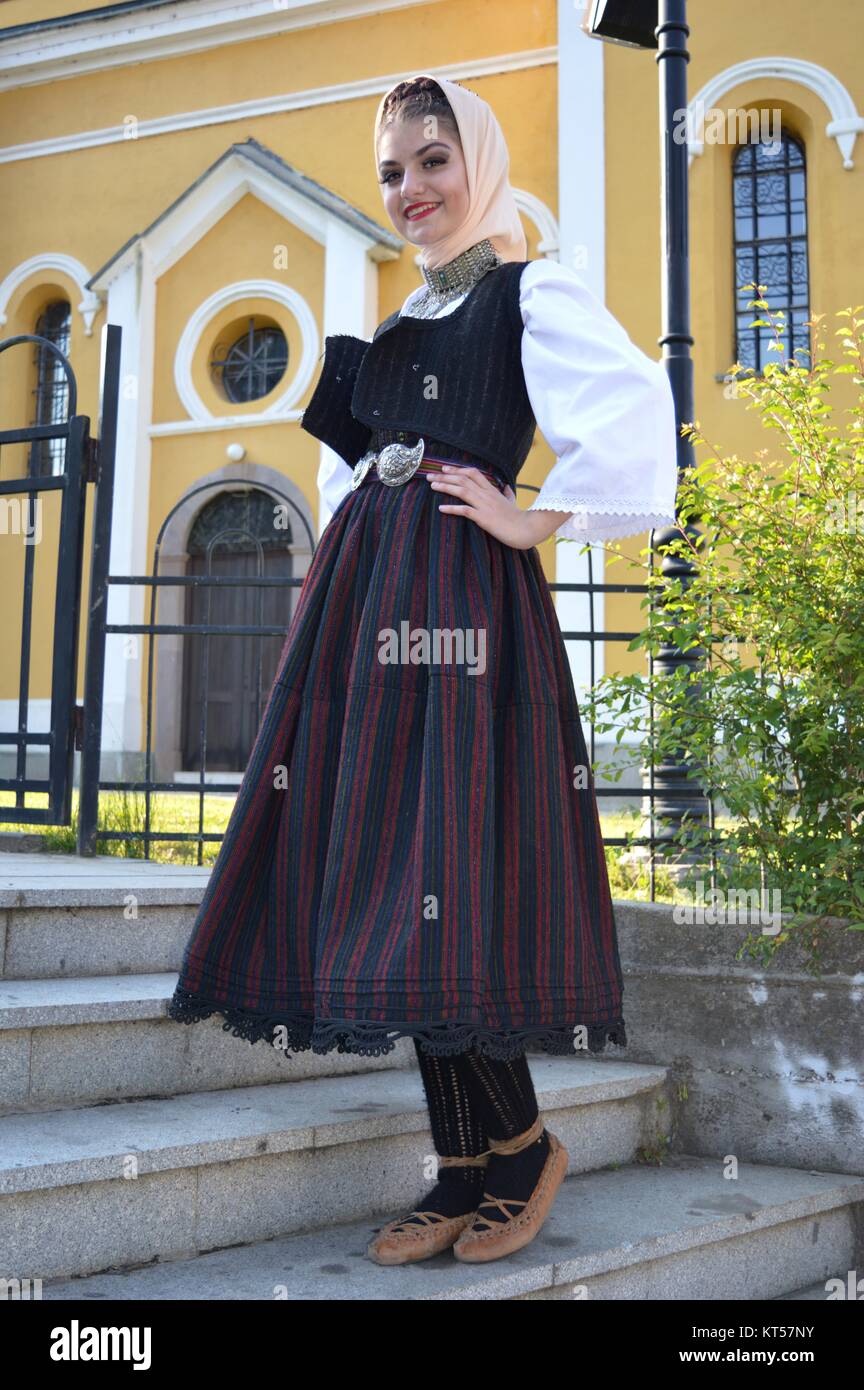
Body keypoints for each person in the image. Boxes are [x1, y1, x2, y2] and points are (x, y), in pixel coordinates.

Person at [168, 73, 679, 1267]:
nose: (411, 189)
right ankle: (457, 1169)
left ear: (478, 166)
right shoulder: (392, 331)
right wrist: (321, 601)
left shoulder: (525, 293)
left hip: (460, 616)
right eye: (394, 169)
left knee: (439, 863)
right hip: (362, 619)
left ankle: (521, 1148)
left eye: (433, 161)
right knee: (384, 876)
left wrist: (534, 519)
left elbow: (638, 425)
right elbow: (349, 484)